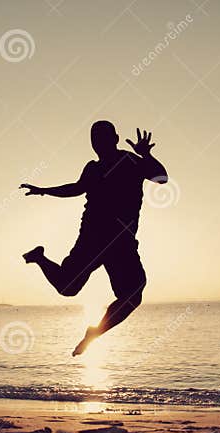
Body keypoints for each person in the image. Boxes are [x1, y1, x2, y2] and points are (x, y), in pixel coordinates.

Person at [20, 120, 169, 356]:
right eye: (94, 139)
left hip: (121, 240)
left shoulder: (130, 160)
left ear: (115, 139)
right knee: (68, 288)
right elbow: (76, 188)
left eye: (102, 137)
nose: (98, 143)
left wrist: (146, 155)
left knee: (132, 295)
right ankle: (40, 258)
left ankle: (94, 333)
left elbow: (161, 178)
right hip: (93, 238)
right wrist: (44, 191)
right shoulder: (93, 168)